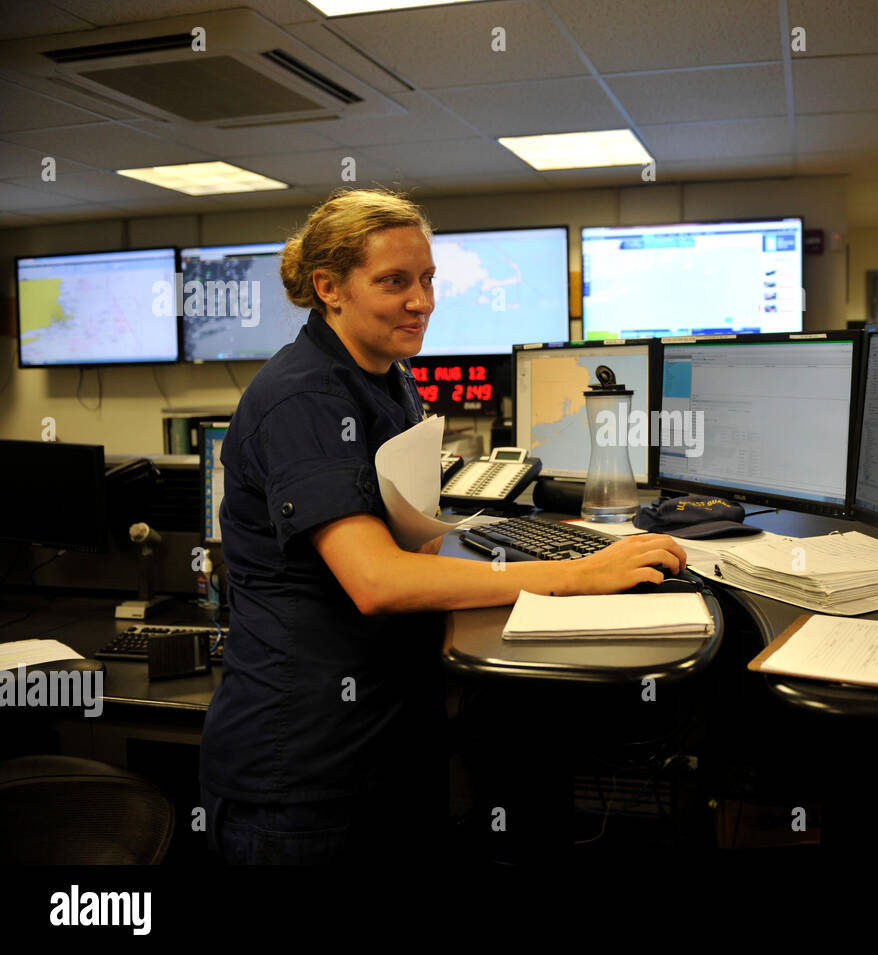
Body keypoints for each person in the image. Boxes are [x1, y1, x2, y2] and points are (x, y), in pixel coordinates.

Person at [199, 188, 686, 864]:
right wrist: (575, 574)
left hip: (382, 740)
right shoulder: (304, 397)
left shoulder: (387, 379)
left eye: (427, 279)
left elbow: (415, 532)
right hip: (303, 771)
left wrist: (525, 546)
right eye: (394, 281)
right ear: (329, 287)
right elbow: (374, 580)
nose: (421, 300)